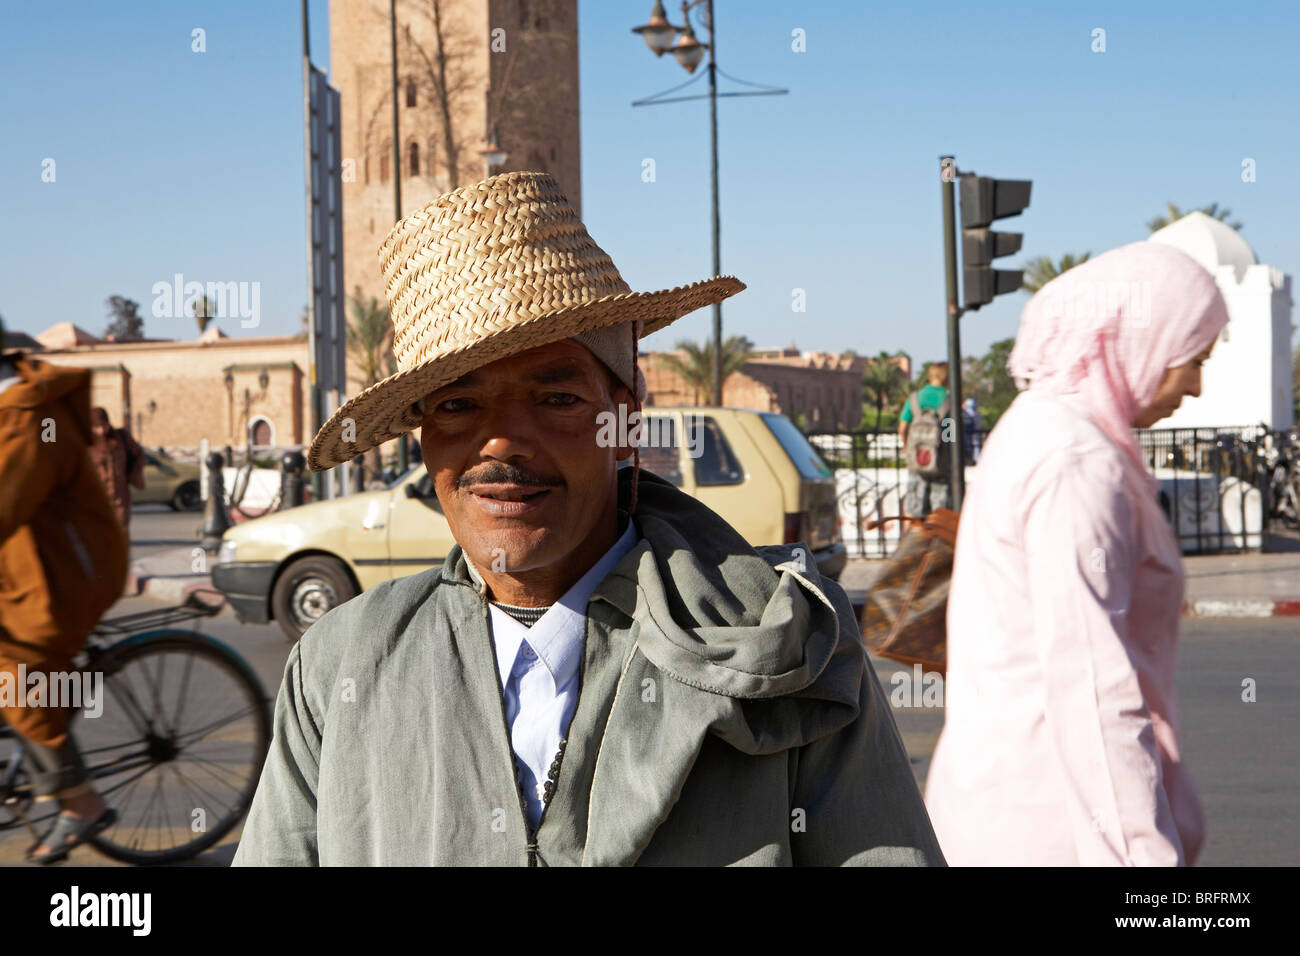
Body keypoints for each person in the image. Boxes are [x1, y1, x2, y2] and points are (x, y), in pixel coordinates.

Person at [232, 171, 945, 866]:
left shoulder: (785, 643)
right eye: (457, 405)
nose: (502, 443)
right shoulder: (341, 667)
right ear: (424, 437)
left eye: (557, 398)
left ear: (625, 417)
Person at [923, 241, 1229, 865]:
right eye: (1190, 359)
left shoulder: (1044, 426)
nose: (1195, 386)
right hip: (1052, 829)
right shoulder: (1077, 461)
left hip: (1002, 809)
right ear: (1141, 338)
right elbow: (1091, 689)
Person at [0, 324, 129, 863]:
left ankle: (82, 803)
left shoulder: (29, 418)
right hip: (27, 571)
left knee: (15, 677)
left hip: (67, 577)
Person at [898, 362, 952, 517]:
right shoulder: (948, 400)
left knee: (914, 512)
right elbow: (950, 435)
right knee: (940, 512)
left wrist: (907, 448)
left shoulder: (914, 398)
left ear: (929, 377)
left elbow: (902, 429)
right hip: (940, 462)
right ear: (946, 379)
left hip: (917, 460)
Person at [89, 407, 145, 530]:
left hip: (120, 498)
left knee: (121, 535)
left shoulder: (121, 437)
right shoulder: (87, 443)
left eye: (104, 425)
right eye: (97, 427)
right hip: (97, 500)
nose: (101, 430)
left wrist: (135, 475)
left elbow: (138, 455)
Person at [961, 396, 982, 465]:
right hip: (972, 435)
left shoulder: (966, 413)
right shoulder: (977, 414)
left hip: (969, 435)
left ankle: (973, 461)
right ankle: (975, 461)